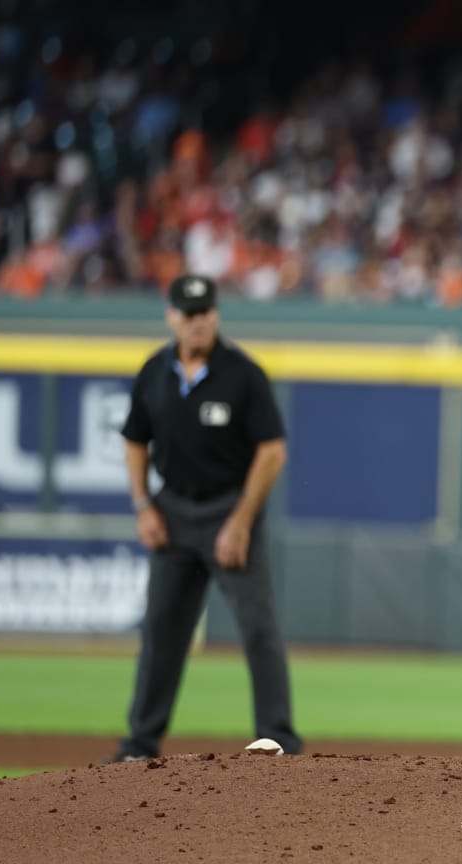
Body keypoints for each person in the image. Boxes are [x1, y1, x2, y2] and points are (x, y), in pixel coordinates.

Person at [107, 274, 301, 762]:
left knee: (258, 629)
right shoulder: (155, 371)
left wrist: (240, 521)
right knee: (161, 632)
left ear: (216, 315)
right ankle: (140, 744)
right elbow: (135, 441)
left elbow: (272, 451)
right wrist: (143, 505)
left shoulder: (242, 374)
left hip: (228, 509)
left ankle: (279, 740)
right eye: (190, 313)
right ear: (172, 316)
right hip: (172, 511)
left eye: (207, 312)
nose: (199, 321)